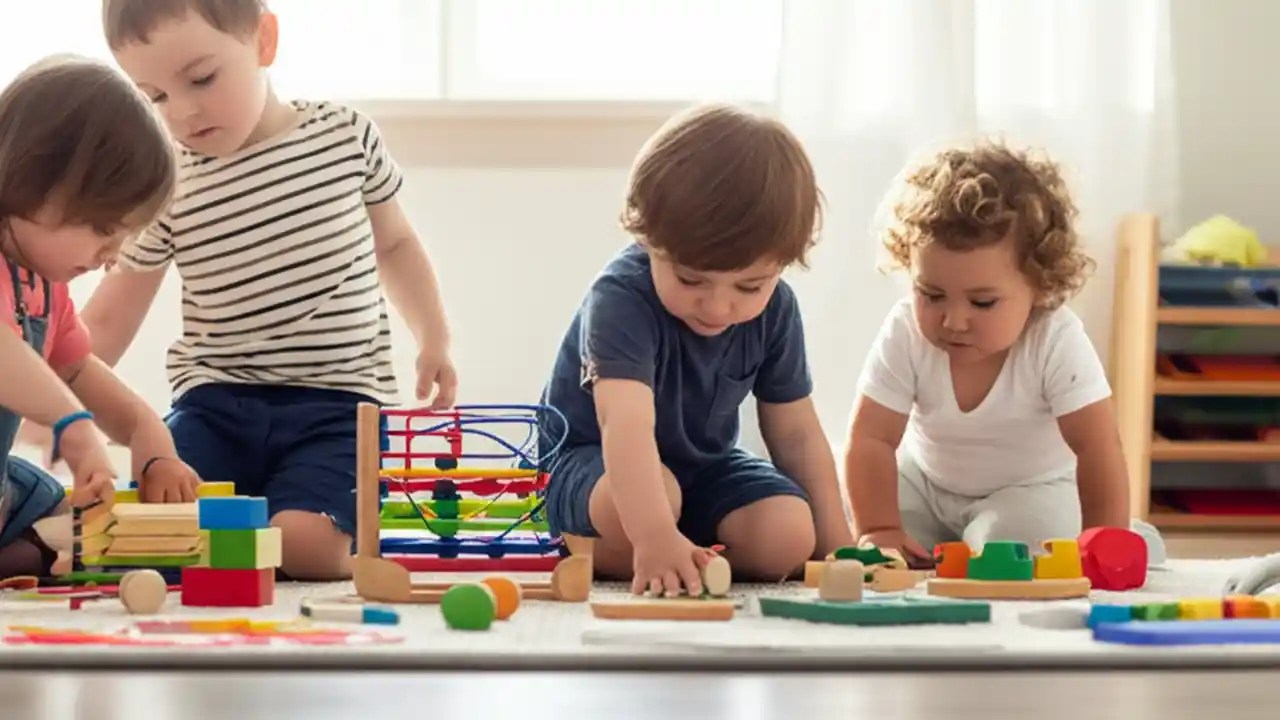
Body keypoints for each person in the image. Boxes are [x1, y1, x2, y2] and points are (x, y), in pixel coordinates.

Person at [71, 0, 456, 580]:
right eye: (154, 96)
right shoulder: (168, 182)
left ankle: (274, 527)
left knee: (305, 548)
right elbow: (108, 319)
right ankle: (232, 529)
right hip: (216, 405)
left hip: (339, 407)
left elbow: (395, 245)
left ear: (263, 41)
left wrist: (434, 337)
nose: (182, 113)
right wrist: (48, 393)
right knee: (154, 526)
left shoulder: (345, 138)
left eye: (201, 79)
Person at [539, 103, 853, 597]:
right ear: (648, 240)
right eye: (691, 280)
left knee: (789, 533)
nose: (719, 305)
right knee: (653, 499)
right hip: (592, 462)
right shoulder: (620, 298)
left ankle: (683, 547)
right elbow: (624, 425)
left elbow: (796, 434)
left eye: (748, 287)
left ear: (783, 265)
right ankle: (612, 546)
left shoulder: (777, 310)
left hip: (705, 466)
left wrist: (839, 549)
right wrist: (655, 535)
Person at [843, 140, 1130, 564]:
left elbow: (1098, 447)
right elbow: (871, 438)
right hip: (927, 485)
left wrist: (1106, 541)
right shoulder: (905, 329)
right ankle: (942, 544)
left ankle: (1133, 535)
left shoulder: (1055, 338)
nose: (953, 320)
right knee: (851, 499)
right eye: (931, 294)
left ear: (1040, 286)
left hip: (1030, 491)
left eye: (982, 303)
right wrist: (879, 528)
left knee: (1010, 538)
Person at [0, 55, 201, 576]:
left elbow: (88, 376)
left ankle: (30, 554)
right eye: (103, 229)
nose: (112, 255)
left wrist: (151, 442)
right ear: (33, 179)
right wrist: (72, 423)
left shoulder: (46, 291)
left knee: (74, 516)